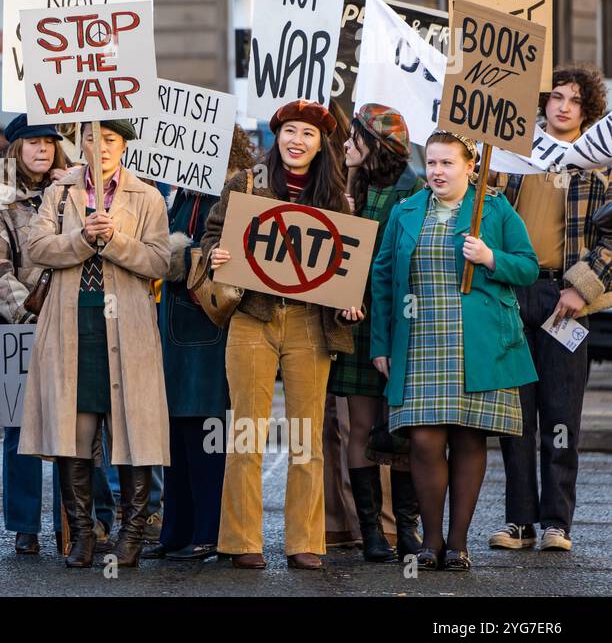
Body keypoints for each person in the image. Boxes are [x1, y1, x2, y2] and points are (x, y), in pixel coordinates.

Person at [204, 100, 364, 571]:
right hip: (252, 316)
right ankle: (241, 541)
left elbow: (345, 263)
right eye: (290, 131)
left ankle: (305, 541)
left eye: (308, 134)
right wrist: (215, 254)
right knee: (246, 431)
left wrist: (351, 298)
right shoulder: (246, 183)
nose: (298, 140)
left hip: (310, 322)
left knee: (306, 437)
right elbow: (214, 235)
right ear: (277, 136)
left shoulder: (337, 195)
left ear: (321, 144)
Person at [371, 130, 537, 571]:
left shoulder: (495, 209)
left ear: (470, 166)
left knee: (468, 437)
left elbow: (528, 267)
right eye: (432, 163)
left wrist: (489, 258)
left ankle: (458, 544)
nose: (438, 172)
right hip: (420, 340)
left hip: (479, 343)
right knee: (424, 439)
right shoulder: (406, 210)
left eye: (448, 163)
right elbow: (382, 277)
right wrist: (381, 344)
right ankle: (432, 540)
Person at [18, 119, 169, 568]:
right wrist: (83, 238)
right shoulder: (59, 192)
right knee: (75, 432)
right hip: (72, 324)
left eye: (109, 139)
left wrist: (116, 240)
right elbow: (36, 247)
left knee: (132, 430)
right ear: (78, 142)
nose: (99, 146)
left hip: (128, 326)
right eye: (90, 137)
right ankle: (83, 534)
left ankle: (132, 535)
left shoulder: (147, 196)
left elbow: (160, 260)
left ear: (123, 145)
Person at [490, 64, 612, 553]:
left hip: (566, 298)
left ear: (588, 111)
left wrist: (580, 288)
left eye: (575, 101)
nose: (563, 106)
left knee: (562, 413)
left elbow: (610, 239)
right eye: (556, 96)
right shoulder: (511, 154)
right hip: (511, 292)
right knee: (513, 414)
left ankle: (556, 521)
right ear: (542, 102)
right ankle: (518, 521)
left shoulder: (597, 165)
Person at [144, 126, 256, 562]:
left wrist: (172, 253)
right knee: (174, 428)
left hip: (212, 323)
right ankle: (176, 531)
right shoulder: (177, 192)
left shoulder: (234, 189)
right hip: (172, 321)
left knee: (206, 429)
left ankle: (208, 532)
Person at [328, 104, 425, 562]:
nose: (346, 146)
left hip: (400, 321)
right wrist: (339, 212)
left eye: (355, 138)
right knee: (361, 428)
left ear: (375, 145)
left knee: (402, 427)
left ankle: (408, 531)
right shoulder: (349, 187)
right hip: (357, 321)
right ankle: (371, 533)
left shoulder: (413, 190)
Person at [0, 114, 71, 556]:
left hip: (73, 324)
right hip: (19, 328)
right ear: (15, 148)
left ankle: (74, 522)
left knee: (74, 425)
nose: (43, 150)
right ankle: (25, 524)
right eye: (33, 142)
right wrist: (33, 316)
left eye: (50, 143)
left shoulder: (74, 193)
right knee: (20, 428)